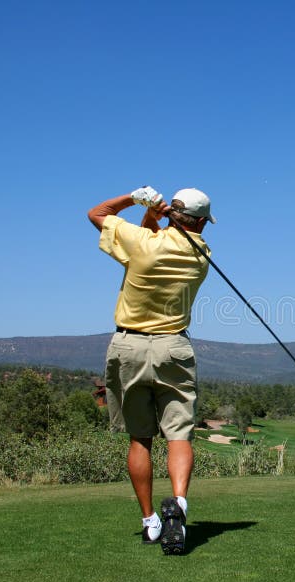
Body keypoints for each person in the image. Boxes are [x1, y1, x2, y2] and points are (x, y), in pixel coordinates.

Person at [87, 185, 215, 555]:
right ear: (202, 223)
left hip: (128, 346)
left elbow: (96, 213)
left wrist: (135, 199)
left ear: (172, 214)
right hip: (173, 347)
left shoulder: (141, 242)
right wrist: (159, 217)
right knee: (179, 435)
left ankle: (150, 522)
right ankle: (179, 503)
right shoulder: (201, 256)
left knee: (139, 438)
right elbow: (162, 239)